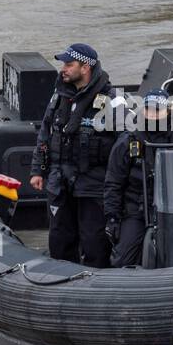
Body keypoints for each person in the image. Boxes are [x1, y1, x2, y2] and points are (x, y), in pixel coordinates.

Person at [29, 43, 118, 267]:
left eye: (69, 64)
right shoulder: (59, 97)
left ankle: (96, 289)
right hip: (60, 182)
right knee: (60, 239)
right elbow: (46, 134)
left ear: (86, 67)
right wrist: (38, 169)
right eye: (63, 65)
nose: (63, 69)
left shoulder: (113, 101)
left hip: (93, 185)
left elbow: (123, 147)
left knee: (94, 243)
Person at [103, 89, 173, 268]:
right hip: (137, 210)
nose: (153, 114)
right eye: (149, 109)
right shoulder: (128, 141)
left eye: (158, 110)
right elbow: (113, 183)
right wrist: (112, 219)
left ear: (168, 111)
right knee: (122, 260)